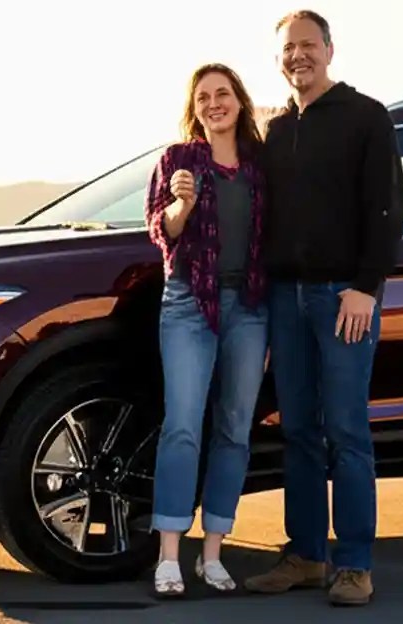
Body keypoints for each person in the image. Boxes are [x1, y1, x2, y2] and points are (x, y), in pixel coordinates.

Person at [242, 10, 403, 607]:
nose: (297, 56)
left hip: (345, 297)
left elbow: (386, 207)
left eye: (308, 45)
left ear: (330, 50)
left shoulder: (366, 117)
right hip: (286, 298)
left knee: (346, 431)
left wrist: (367, 285)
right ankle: (306, 555)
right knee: (299, 431)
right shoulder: (275, 128)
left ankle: (354, 565)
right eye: (288, 48)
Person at [144, 63, 269, 598]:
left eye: (222, 94)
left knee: (236, 428)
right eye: (203, 98)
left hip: (251, 306)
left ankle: (213, 552)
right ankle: (170, 556)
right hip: (190, 303)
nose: (213, 103)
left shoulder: (261, 167)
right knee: (183, 426)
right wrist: (183, 204)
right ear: (194, 109)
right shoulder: (178, 162)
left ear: (239, 101)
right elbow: (161, 230)